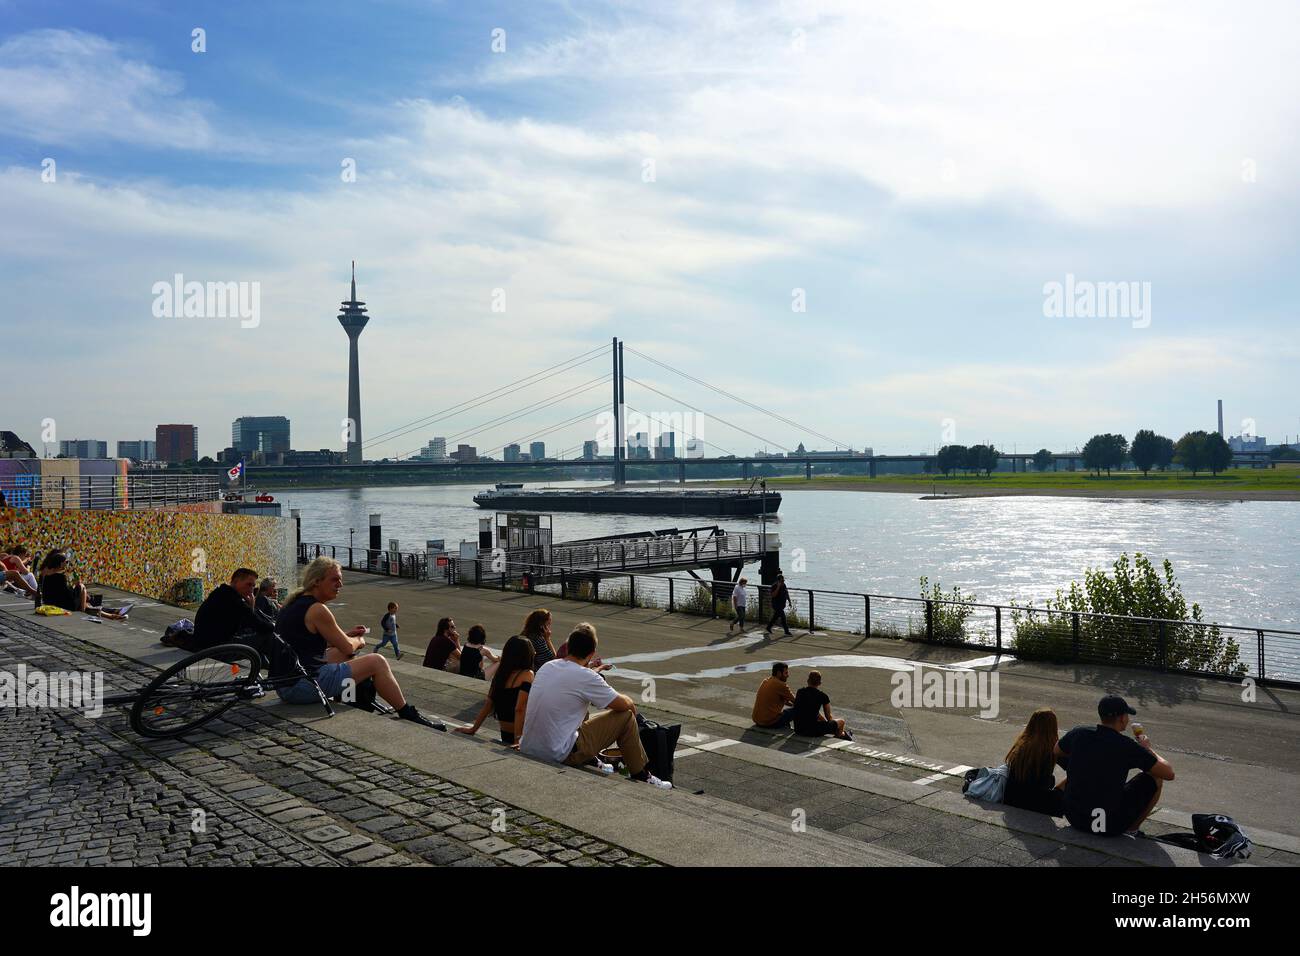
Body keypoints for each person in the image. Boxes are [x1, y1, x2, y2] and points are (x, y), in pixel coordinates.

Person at [275, 556, 444, 730]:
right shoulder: (318, 609)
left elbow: (305, 642)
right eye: (335, 580)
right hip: (302, 686)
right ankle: (406, 711)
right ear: (317, 581)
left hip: (285, 684)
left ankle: (354, 700)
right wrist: (358, 640)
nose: (340, 585)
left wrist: (346, 635)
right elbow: (349, 646)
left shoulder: (293, 603)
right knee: (376, 661)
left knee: (344, 655)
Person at [519, 623, 672, 789]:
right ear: (591, 654)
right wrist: (633, 712)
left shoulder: (548, 666)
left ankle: (593, 759)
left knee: (577, 709)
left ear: (569, 647)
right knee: (626, 717)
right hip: (558, 753)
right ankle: (641, 775)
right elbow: (625, 705)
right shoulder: (586, 676)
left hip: (529, 746)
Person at [1056, 695, 1174, 838]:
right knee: (1156, 777)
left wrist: (1084, 764)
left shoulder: (1080, 733)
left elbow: (1056, 751)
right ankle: (1132, 829)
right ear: (1122, 718)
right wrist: (1148, 749)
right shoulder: (1127, 746)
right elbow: (1168, 773)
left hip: (1074, 817)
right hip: (1106, 825)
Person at [172, 568, 276, 655]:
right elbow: (259, 626)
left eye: (253, 586)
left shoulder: (221, 592)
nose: (251, 589)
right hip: (217, 648)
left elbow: (247, 623)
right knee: (269, 636)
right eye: (248, 584)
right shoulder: (234, 601)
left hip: (203, 642)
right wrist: (275, 625)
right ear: (235, 582)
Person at [455, 635, 535, 745]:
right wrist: (518, 740)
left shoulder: (501, 673)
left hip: (504, 731)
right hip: (519, 733)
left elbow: (489, 703)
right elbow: (519, 709)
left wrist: (473, 729)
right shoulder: (527, 674)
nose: (534, 653)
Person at [1003, 708, 1068, 816]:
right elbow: (1073, 768)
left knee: (1049, 780)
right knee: (1071, 778)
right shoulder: (1050, 747)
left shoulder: (1021, 744)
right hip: (1037, 804)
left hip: (1012, 798)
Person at [36, 551, 129, 619]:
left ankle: (111, 614)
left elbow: (61, 592)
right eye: (66, 562)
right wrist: (76, 586)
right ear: (61, 564)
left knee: (86, 600)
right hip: (63, 605)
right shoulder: (61, 577)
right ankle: (85, 609)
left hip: (51, 602)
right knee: (82, 587)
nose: (67, 564)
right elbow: (67, 594)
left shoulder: (47, 576)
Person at [791, 670, 852, 740]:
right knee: (841, 722)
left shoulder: (800, 692)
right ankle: (840, 736)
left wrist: (824, 723)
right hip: (811, 731)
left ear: (808, 681)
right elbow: (828, 717)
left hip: (798, 729)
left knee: (820, 722)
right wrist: (832, 725)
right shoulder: (822, 696)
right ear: (820, 683)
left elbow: (810, 710)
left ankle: (842, 733)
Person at [751, 661, 797, 729]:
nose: (788, 675)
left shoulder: (766, 681)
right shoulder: (781, 685)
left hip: (757, 720)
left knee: (786, 712)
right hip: (768, 722)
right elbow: (797, 702)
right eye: (786, 673)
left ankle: (785, 725)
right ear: (779, 673)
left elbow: (785, 701)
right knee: (798, 709)